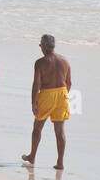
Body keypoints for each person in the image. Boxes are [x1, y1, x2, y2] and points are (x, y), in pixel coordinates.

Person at [21, 34, 71, 170]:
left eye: (40, 46)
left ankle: (32, 156)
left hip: (47, 94)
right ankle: (60, 163)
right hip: (63, 94)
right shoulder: (65, 61)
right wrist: (62, 97)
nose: (40, 49)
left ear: (44, 46)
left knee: (37, 128)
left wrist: (33, 102)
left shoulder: (40, 62)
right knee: (60, 131)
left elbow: (36, 84)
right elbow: (69, 83)